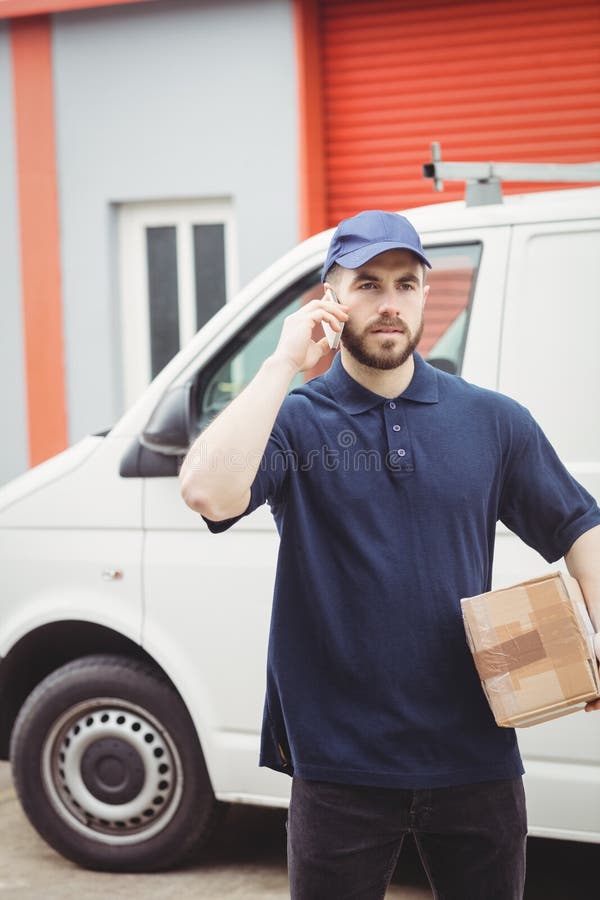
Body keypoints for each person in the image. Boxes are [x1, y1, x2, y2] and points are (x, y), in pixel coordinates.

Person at [179, 210, 600, 900]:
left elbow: (581, 527)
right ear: (331, 300)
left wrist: (595, 635)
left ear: (424, 295)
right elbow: (207, 491)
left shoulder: (492, 420)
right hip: (339, 764)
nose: (389, 303)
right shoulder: (295, 421)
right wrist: (282, 363)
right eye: (367, 284)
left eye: (405, 284)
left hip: (476, 752)